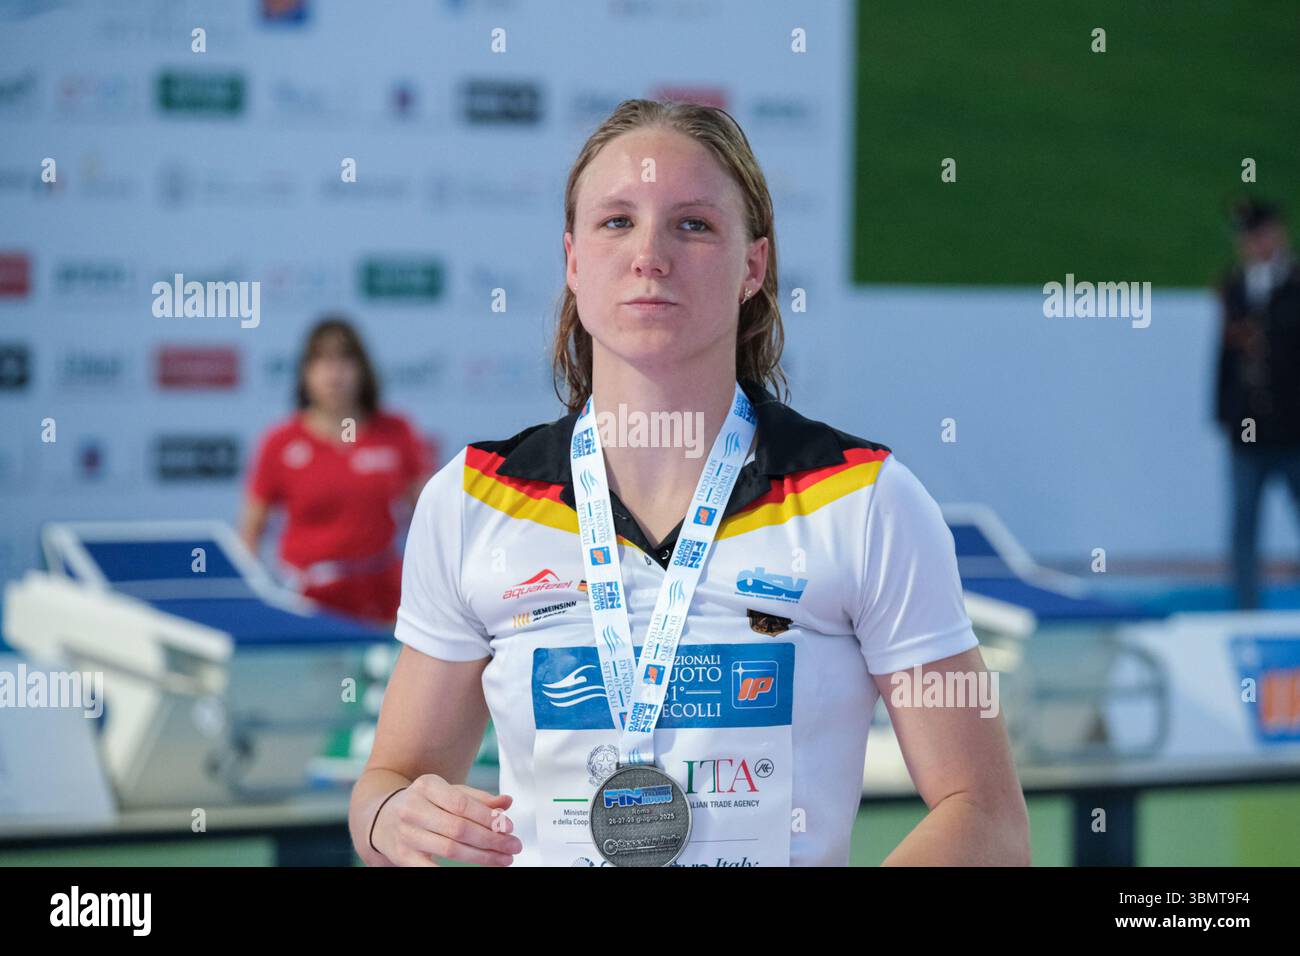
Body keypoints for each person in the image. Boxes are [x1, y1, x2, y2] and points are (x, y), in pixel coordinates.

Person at [350, 99, 1030, 867]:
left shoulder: (864, 501)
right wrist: (393, 819)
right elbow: (389, 784)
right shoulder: (475, 499)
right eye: (617, 222)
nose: (650, 256)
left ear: (753, 265)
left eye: (693, 224)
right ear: (572, 262)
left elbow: (988, 821)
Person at [241, 316, 431, 626]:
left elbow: (430, 517)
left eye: (344, 360)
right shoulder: (280, 442)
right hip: (307, 603)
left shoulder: (396, 432)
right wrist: (253, 602)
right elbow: (249, 534)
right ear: (305, 373)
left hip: (383, 599)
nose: (334, 374)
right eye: (322, 361)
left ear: (362, 370)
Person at [1214, 199, 1300, 609]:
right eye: (1246, 236)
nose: (1251, 243)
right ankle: (1246, 612)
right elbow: (1225, 356)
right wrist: (1224, 412)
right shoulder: (1235, 285)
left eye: (1258, 234)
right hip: (1247, 431)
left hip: (1294, 429)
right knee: (1243, 530)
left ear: (1276, 233)